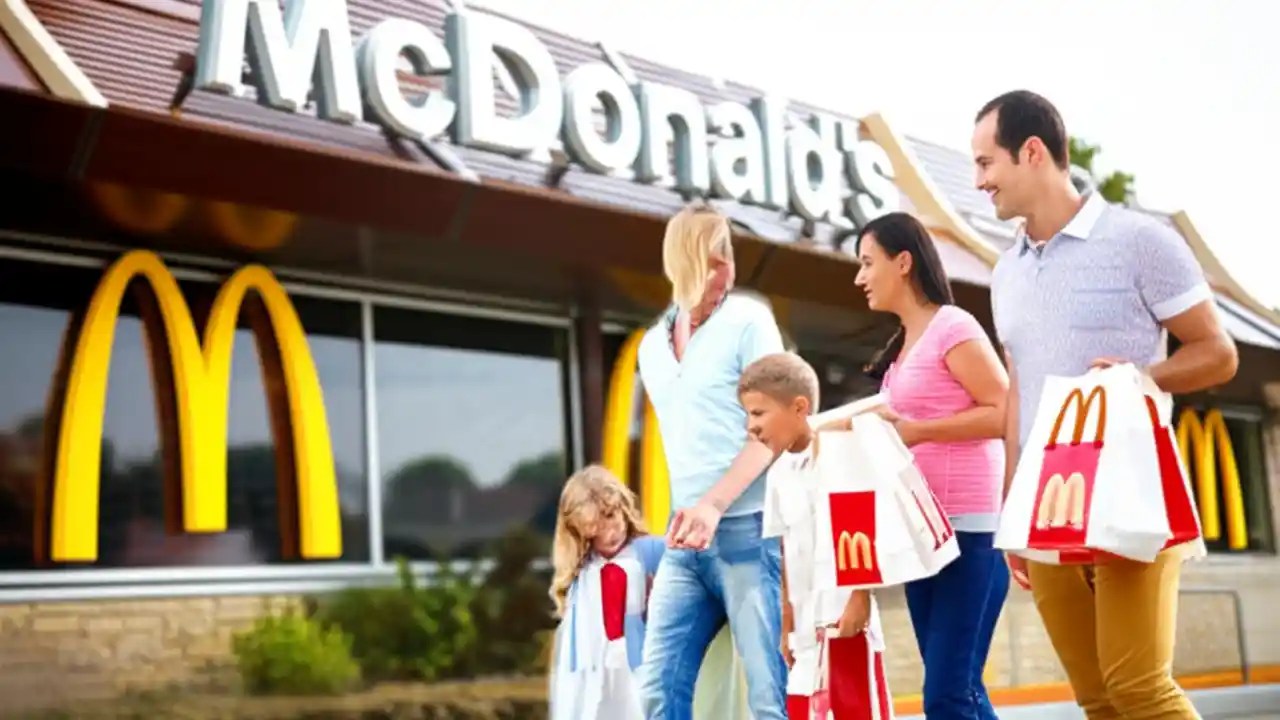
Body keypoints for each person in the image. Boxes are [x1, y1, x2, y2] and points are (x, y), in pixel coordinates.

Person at [973, 89, 1239, 719]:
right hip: (1047, 504)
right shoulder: (1005, 272)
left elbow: (1219, 353)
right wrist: (1014, 511)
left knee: (1140, 690)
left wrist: (1144, 375)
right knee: (1098, 701)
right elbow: (1020, 393)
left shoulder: (1138, 241)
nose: (980, 181)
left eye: (987, 163)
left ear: (1032, 152)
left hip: (1129, 490)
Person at [820, 212, 1011, 719]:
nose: (859, 277)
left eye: (867, 263)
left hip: (971, 535)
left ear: (902, 262)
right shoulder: (903, 349)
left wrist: (918, 431)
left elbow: (1004, 412)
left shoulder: (953, 326)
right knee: (959, 692)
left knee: (947, 696)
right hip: (925, 540)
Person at [637, 201, 788, 719]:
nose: (727, 273)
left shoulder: (749, 321)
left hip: (749, 532)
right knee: (658, 691)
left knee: (769, 696)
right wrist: (694, 513)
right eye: (714, 260)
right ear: (682, 263)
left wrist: (714, 506)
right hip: (683, 542)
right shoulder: (650, 348)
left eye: (728, 258)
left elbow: (773, 431)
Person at [741, 351, 894, 719]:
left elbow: (860, 534)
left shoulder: (839, 456)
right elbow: (785, 552)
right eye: (747, 415)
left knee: (855, 711)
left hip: (843, 622)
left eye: (759, 413)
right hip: (805, 632)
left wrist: (860, 598)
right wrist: (786, 625)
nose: (751, 426)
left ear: (798, 407)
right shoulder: (778, 474)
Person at [548, 465, 665, 720]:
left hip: (640, 666)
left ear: (623, 507)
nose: (608, 533)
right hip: (594, 674)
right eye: (594, 527)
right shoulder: (582, 573)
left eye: (611, 517)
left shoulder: (652, 553)